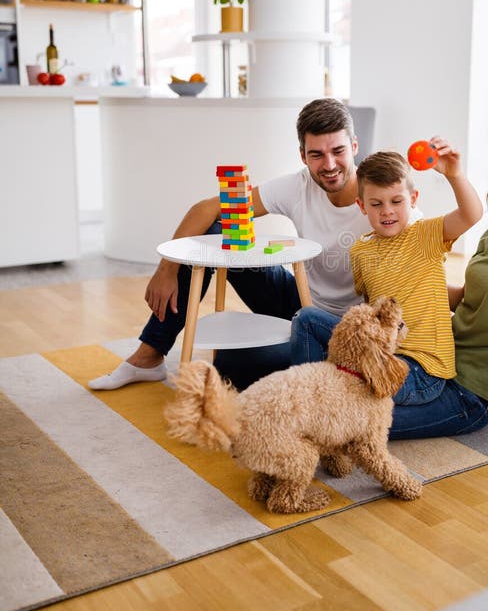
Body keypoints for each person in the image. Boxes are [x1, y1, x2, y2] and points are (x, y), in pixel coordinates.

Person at [292, 124, 488, 466]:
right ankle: (305, 394)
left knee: (339, 423)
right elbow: (467, 297)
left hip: (471, 395)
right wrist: (406, 285)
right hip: (437, 359)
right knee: (308, 328)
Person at [90, 97, 374, 391]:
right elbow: (206, 209)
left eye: (338, 151)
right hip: (299, 302)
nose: (329, 165)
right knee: (215, 232)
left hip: (343, 327)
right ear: (303, 156)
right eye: (317, 154)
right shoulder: (298, 185)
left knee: (230, 366)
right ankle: (149, 356)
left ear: (354, 146)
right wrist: (166, 269)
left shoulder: (379, 196)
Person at [291, 139, 482, 398]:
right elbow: (371, 309)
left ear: (413, 199)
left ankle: (319, 402)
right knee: (307, 318)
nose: (387, 212)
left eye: (396, 201)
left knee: (350, 402)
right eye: (377, 204)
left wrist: (454, 175)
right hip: (379, 357)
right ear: (361, 206)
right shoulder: (360, 251)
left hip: (422, 369)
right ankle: (309, 393)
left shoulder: (425, 235)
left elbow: (471, 214)